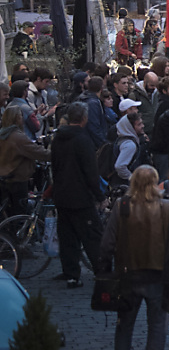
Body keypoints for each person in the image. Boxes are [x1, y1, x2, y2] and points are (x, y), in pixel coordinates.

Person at [99, 165, 169, 350]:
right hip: (157, 273)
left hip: (128, 274)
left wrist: (104, 270)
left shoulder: (122, 206)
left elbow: (107, 243)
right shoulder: (165, 207)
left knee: (124, 324)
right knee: (157, 324)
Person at [51, 101, 105, 288]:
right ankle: (102, 272)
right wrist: (100, 196)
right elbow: (91, 171)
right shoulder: (83, 140)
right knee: (92, 236)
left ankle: (71, 274)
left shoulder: (58, 138)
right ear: (84, 118)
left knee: (67, 237)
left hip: (62, 194)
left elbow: (55, 166)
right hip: (81, 196)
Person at [0, 106, 50, 213]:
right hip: (17, 178)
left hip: (5, 177)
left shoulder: (3, 134)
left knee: (9, 210)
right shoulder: (18, 137)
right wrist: (55, 155)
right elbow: (36, 151)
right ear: (17, 118)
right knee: (20, 209)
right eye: (21, 116)